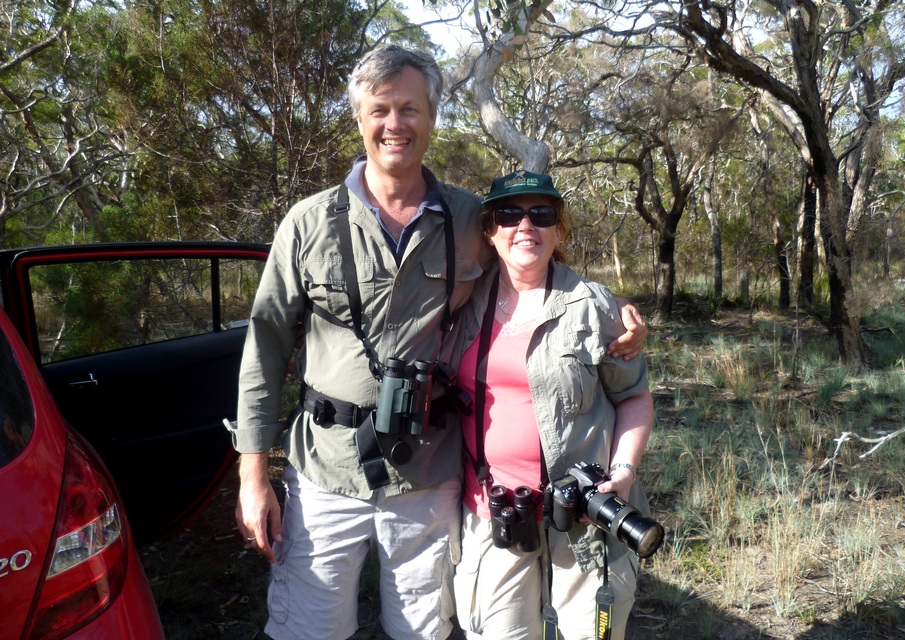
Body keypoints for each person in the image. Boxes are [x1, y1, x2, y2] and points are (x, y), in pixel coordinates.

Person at [227, 46, 648, 640]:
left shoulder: (470, 219)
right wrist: (253, 478)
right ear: (358, 118)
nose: (394, 124)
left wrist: (615, 317)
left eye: (410, 108)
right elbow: (265, 353)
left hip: (427, 474)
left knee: (424, 631)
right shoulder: (308, 222)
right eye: (379, 109)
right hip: (324, 471)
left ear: (431, 118)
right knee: (308, 629)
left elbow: (535, 257)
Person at [449, 170, 656, 640]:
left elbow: (635, 397)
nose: (526, 226)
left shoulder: (595, 305)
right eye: (509, 214)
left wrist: (622, 473)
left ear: (559, 230)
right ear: (489, 231)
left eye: (541, 214)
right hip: (494, 511)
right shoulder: (462, 302)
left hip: (585, 518)